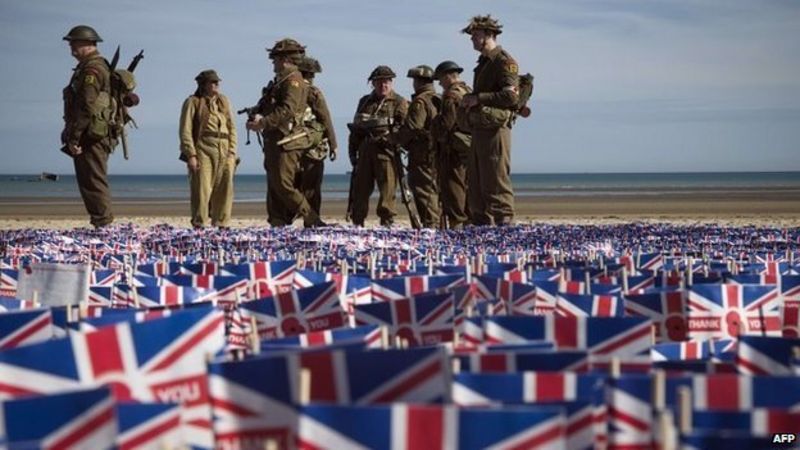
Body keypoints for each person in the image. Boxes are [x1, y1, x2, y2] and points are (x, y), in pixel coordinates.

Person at [246, 38, 326, 228]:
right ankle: (277, 221)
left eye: (275, 58)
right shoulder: (279, 81)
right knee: (274, 184)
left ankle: (312, 218)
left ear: (285, 59)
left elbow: (288, 109)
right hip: (274, 138)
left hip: (287, 139)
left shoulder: (293, 80)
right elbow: (272, 105)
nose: (273, 62)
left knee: (283, 183)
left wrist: (263, 122)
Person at [461, 15, 519, 226]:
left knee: (495, 182)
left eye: (475, 35)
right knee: (476, 186)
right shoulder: (484, 64)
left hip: (495, 131)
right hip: (479, 129)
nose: (472, 40)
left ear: (489, 35)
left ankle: (505, 229)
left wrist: (479, 98)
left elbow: (511, 96)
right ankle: (482, 231)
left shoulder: (504, 61)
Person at [61, 25, 116, 228]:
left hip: (91, 135)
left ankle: (103, 224)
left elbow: (87, 105)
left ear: (87, 43)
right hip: (93, 132)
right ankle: (102, 222)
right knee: (91, 180)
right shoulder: (91, 67)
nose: (71, 47)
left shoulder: (92, 69)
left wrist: (74, 137)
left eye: (74, 42)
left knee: (92, 181)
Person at [347, 66, 409, 227]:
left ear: (392, 83)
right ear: (373, 84)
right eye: (380, 82)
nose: (384, 86)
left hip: (386, 151)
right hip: (365, 150)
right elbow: (355, 130)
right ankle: (357, 222)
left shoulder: (399, 102)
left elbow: (404, 128)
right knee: (360, 190)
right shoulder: (364, 102)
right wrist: (352, 153)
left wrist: (392, 138)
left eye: (387, 82)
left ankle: (387, 221)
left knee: (388, 190)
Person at [179, 70, 238, 228]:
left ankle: (222, 224)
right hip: (203, 148)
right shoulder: (193, 102)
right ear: (203, 85)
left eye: (217, 81)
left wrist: (232, 152)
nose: (216, 84)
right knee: (202, 190)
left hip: (225, 150)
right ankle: (200, 224)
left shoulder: (223, 101)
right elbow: (185, 130)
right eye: (212, 82)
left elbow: (232, 127)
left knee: (226, 190)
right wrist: (191, 154)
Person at [396, 65, 441, 228]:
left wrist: (396, 138)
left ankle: (431, 225)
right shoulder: (438, 98)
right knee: (434, 190)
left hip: (422, 153)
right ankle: (436, 223)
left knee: (424, 191)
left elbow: (413, 127)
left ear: (418, 82)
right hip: (436, 152)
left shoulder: (421, 101)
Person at [431, 60, 472, 230]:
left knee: (454, 190)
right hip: (470, 147)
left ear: (448, 77)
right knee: (469, 188)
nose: (439, 83)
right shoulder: (468, 91)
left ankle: (457, 226)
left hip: (453, 149)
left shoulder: (450, 96)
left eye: (440, 79)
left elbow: (446, 124)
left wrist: (434, 128)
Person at [296, 56, 337, 216]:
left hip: (294, 147)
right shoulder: (312, 92)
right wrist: (333, 144)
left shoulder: (288, 91)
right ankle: (311, 218)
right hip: (312, 148)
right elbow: (325, 117)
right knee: (311, 186)